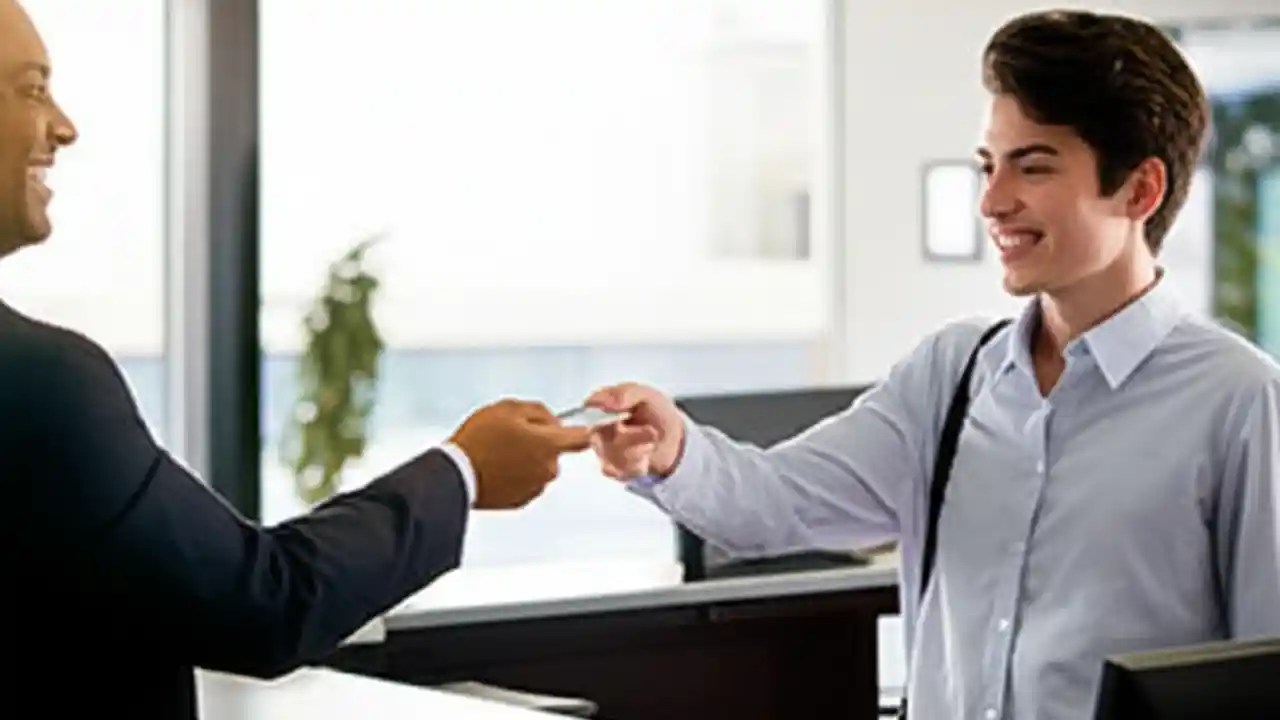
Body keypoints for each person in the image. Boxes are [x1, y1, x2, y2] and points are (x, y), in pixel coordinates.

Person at [586, 10, 1280, 720]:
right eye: (989, 165)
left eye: (1033, 166)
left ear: (1139, 190)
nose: (993, 200)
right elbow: (778, 504)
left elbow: (1265, 675)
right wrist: (671, 454)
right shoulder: (952, 375)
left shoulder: (1239, 399)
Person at [0, 0, 591, 715]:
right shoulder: (41, 385)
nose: (64, 126)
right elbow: (268, 601)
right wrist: (466, 471)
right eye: (32, 89)